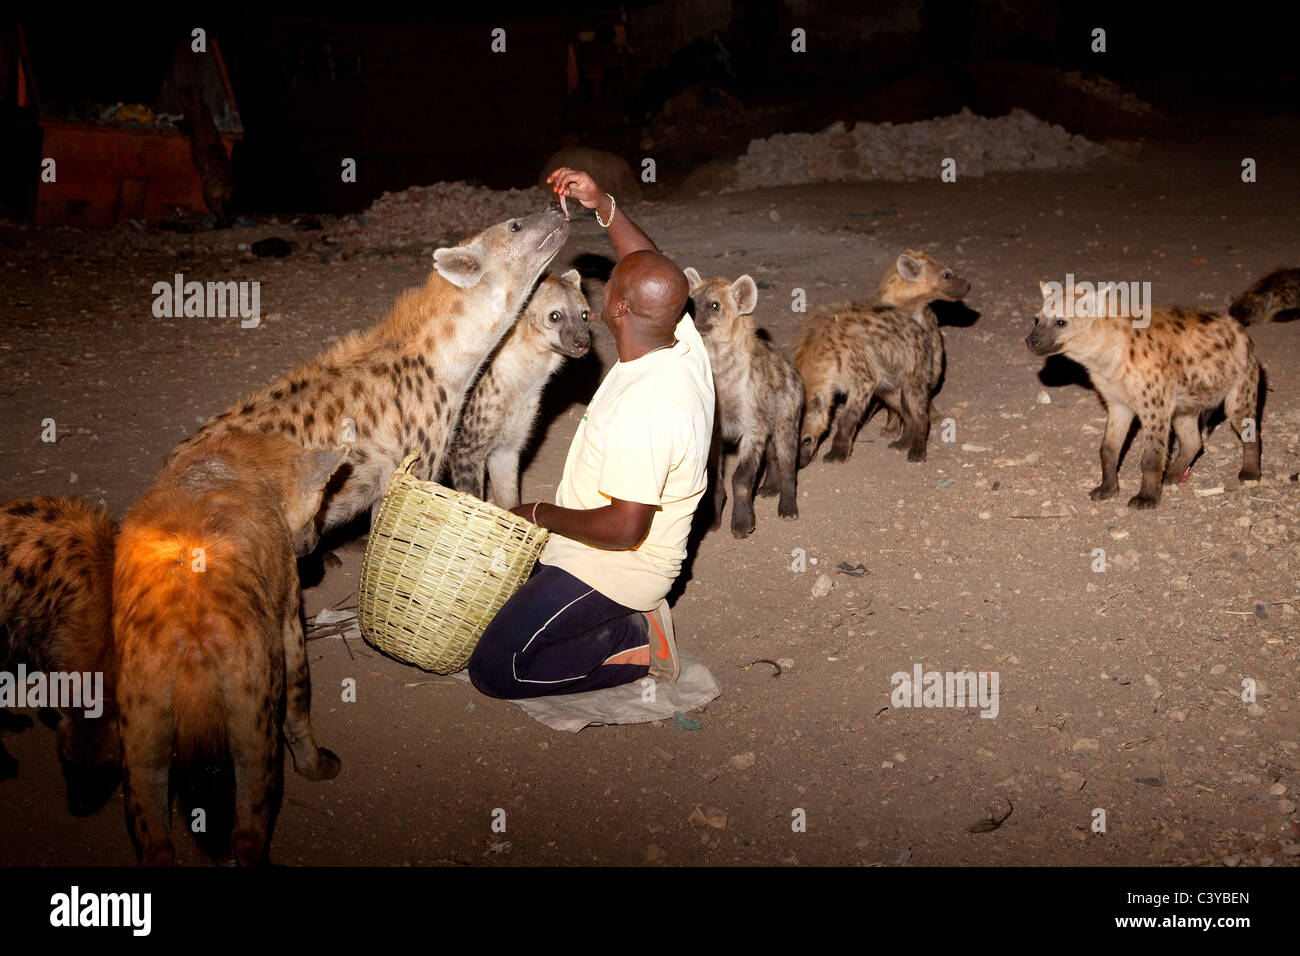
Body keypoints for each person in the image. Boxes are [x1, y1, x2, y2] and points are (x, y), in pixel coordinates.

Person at [467, 168, 715, 699]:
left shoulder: (645, 407)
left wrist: (536, 514)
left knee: (495, 669)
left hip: (615, 567)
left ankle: (639, 642)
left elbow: (625, 528)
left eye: (613, 284)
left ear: (617, 308)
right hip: (587, 547)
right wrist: (603, 205)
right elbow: (650, 267)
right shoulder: (680, 340)